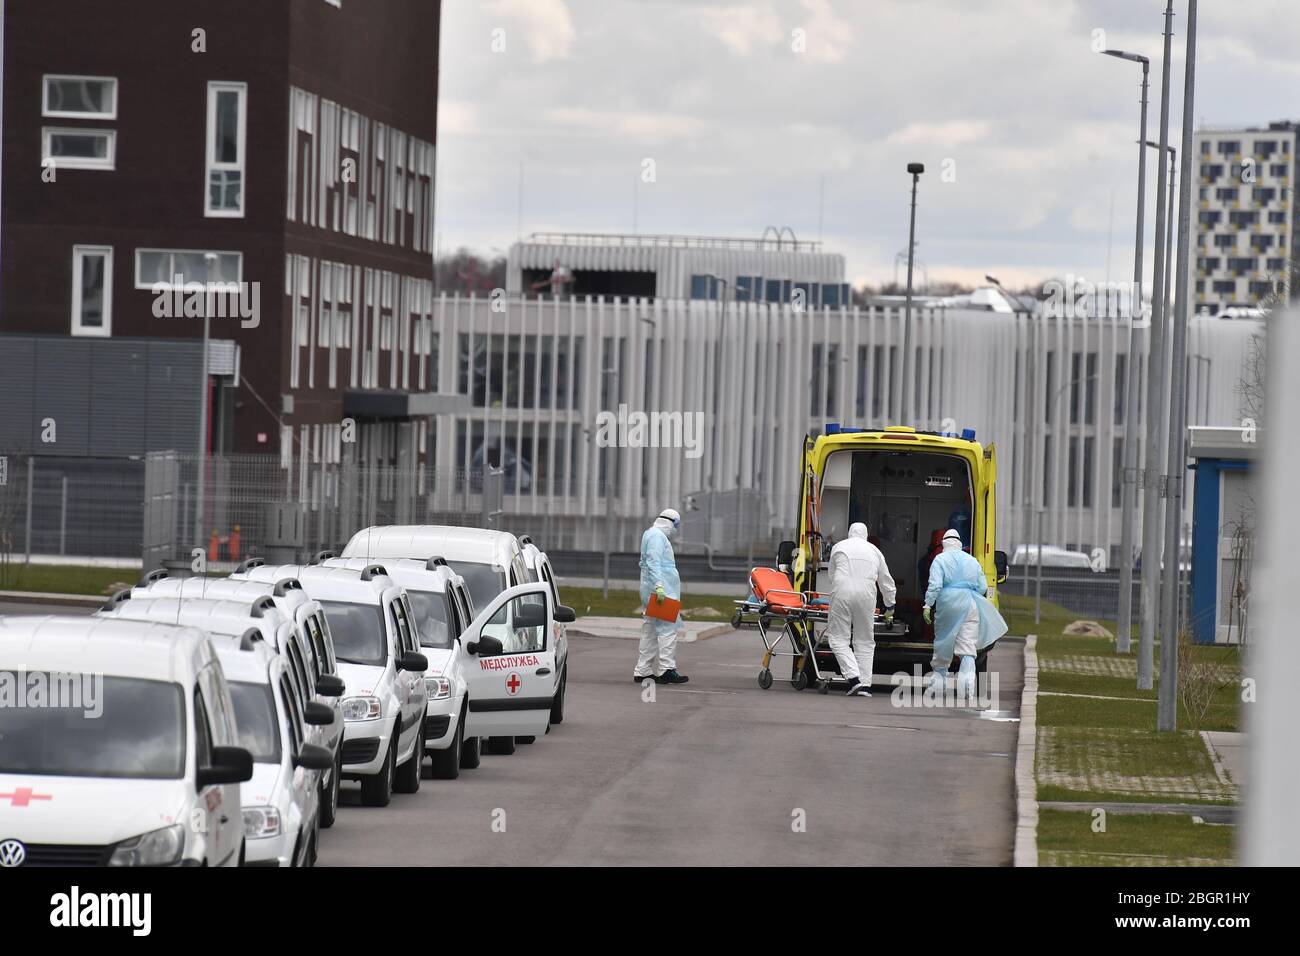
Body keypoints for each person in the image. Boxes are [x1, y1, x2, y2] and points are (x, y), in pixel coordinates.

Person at [922, 528, 1008, 698]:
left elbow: (935, 585)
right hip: (970, 604)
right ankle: (967, 686)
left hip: (948, 604)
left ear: (944, 543)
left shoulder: (940, 559)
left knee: (943, 641)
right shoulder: (972, 560)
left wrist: (927, 605)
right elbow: (983, 587)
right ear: (960, 543)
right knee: (968, 646)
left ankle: (939, 683)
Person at [823, 522, 896, 697]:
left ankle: (854, 678)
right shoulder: (875, 551)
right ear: (865, 534)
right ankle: (864, 686)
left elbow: (832, 575)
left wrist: (841, 587)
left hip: (842, 591)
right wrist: (889, 607)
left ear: (850, 533)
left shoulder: (839, 547)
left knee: (838, 638)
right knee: (865, 640)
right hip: (866, 595)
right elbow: (886, 582)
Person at [635, 508, 689, 684]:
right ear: (670, 523)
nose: (676, 530)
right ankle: (666, 669)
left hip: (652, 588)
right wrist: (659, 587)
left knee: (650, 629)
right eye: (676, 526)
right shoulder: (657, 536)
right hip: (660, 590)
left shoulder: (650, 534)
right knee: (667, 630)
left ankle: (643, 670)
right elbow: (653, 562)